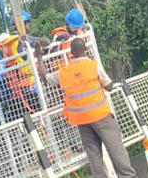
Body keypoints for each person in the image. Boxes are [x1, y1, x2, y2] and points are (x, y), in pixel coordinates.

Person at [45, 38, 137, 178]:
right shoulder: (93, 66)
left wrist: (40, 58)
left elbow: (46, 78)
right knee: (115, 148)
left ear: (71, 53)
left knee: (93, 154)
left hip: (81, 121)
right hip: (101, 116)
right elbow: (109, 86)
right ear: (85, 50)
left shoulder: (63, 72)